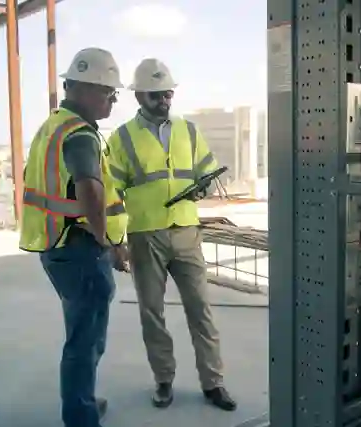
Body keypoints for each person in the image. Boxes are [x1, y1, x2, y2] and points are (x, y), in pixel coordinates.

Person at [105, 58, 236, 411]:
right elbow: (110, 192)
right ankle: (164, 380)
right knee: (152, 312)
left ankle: (214, 382)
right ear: (139, 96)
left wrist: (202, 188)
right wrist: (116, 240)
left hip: (186, 230)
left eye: (169, 93)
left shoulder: (188, 131)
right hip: (145, 235)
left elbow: (207, 170)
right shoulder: (121, 139)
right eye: (157, 95)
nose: (164, 100)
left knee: (201, 310)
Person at [19, 47, 130, 427]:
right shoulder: (80, 135)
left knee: (81, 334)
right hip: (80, 250)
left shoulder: (53, 125)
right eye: (107, 91)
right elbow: (91, 191)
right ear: (81, 89)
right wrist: (106, 239)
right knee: (85, 341)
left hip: (57, 246)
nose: (113, 99)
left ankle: (82, 402)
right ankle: (81, 417)